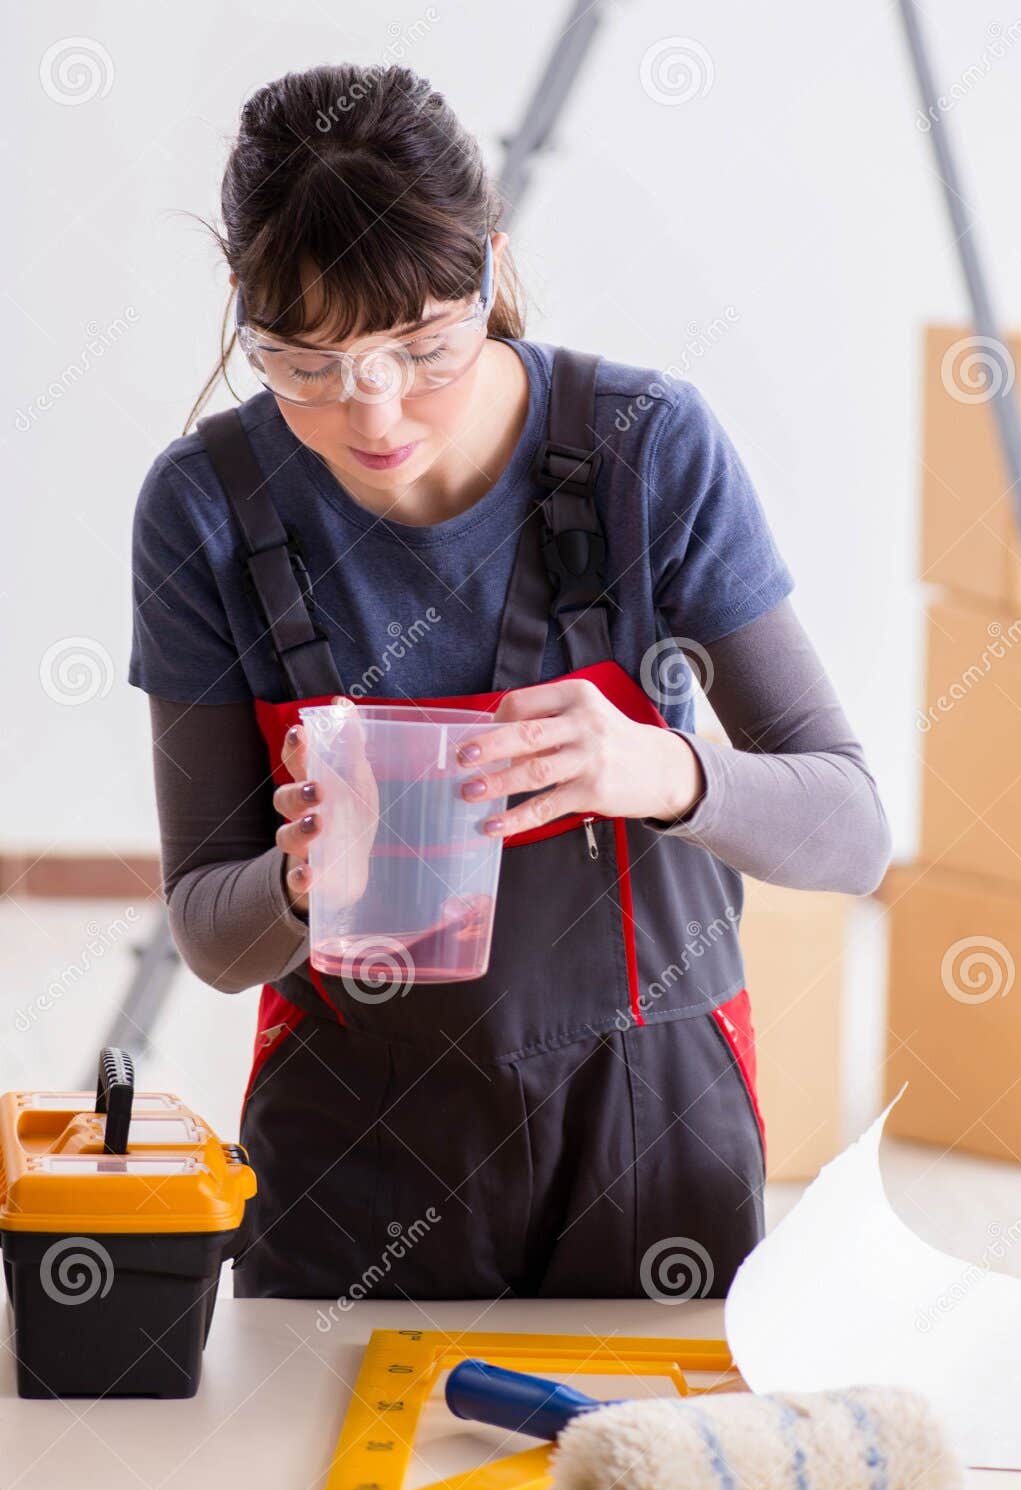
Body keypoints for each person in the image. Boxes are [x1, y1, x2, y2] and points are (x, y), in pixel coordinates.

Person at [128, 63, 892, 1303]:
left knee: (637, 1424)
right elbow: (214, 935)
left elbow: (852, 833)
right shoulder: (204, 506)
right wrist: (298, 880)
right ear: (245, 316)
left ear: (488, 272)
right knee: (317, 1433)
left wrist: (662, 769)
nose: (374, 415)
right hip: (350, 1140)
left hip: (650, 1124)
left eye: (422, 348)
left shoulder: (646, 448)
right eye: (305, 364)